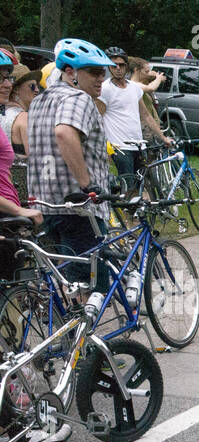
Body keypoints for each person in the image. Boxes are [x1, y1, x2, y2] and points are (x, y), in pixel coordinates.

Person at [26, 39, 116, 283]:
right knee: (90, 287)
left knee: (65, 283)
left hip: (45, 205)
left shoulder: (39, 101)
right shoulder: (78, 98)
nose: (101, 78)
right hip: (78, 208)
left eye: (103, 72)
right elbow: (64, 132)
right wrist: (87, 184)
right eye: (94, 72)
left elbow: (32, 147)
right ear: (69, 71)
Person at [99, 45, 171, 179]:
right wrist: (104, 147)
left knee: (142, 186)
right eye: (114, 66)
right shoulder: (105, 89)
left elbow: (146, 116)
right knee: (130, 187)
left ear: (126, 66)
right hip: (119, 147)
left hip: (138, 145)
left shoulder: (134, 88)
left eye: (121, 65)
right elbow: (99, 118)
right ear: (109, 67)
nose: (118, 69)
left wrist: (163, 137)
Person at [4, 66, 40, 155]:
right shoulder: (25, 118)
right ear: (16, 89)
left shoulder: (3, 113)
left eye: (37, 86)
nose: (37, 90)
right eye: (32, 86)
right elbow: (37, 159)